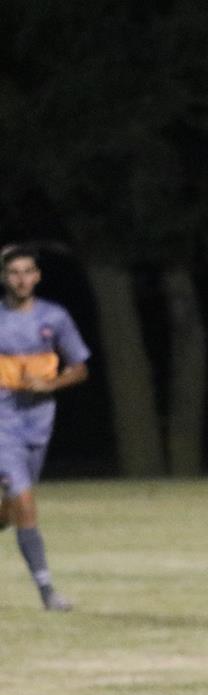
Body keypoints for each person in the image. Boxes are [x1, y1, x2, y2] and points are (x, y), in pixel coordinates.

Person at [0, 245, 90, 611]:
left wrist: (50, 384)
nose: (21, 279)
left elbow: (79, 367)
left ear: (37, 276)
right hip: (2, 425)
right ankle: (48, 592)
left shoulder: (55, 317)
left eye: (27, 272)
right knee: (25, 500)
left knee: (11, 510)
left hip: (38, 427)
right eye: (14, 272)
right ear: (5, 278)